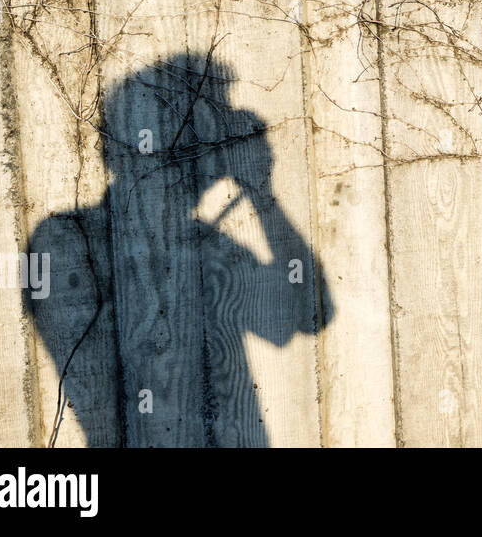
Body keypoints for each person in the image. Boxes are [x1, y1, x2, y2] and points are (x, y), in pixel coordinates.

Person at [26, 52, 332, 446]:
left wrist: (261, 192)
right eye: (208, 125)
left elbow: (306, 315)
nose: (216, 145)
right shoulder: (69, 240)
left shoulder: (210, 246)